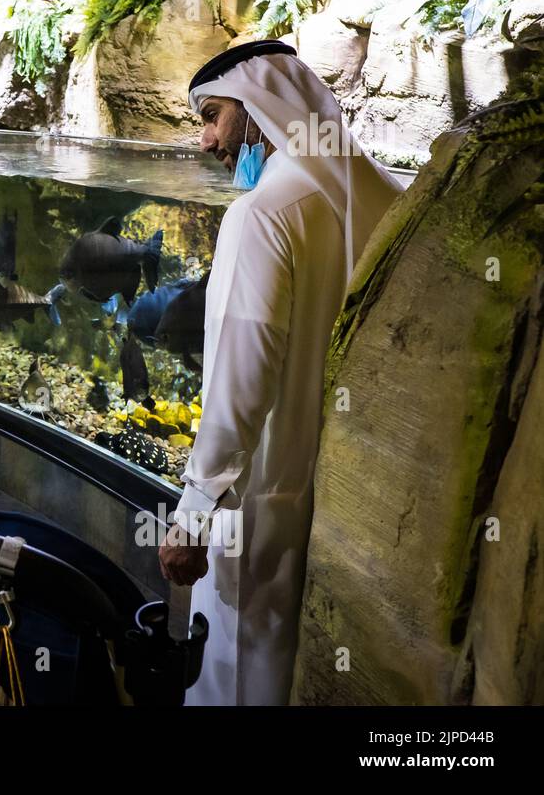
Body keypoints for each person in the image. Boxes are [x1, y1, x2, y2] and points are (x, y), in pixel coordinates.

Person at [157, 41, 402, 705]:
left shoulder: (261, 215)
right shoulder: (388, 197)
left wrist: (194, 515)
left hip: (258, 503)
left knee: (239, 669)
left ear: (259, 106)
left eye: (212, 116)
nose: (208, 142)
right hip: (348, 503)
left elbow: (243, 378)